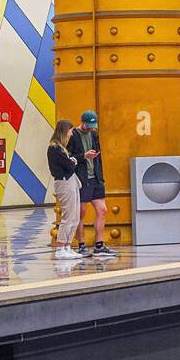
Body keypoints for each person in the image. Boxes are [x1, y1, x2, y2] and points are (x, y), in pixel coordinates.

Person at [68, 110, 118, 258]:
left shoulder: (94, 134)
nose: (90, 128)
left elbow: (98, 156)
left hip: (95, 177)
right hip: (81, 178)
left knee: (102, 210)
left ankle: (99, 244)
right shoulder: (73, 136)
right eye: (88, 125)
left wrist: (100, 177)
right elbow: (68, 157)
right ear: (82, 122)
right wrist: (84, 156)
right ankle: (81, 244)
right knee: (81, 212)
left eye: (92, 125)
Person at [48, 119, 82, 260]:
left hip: (71, 181)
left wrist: (72, 161)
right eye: (70, 131)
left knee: (75, 216)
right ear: (64, 131)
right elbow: (69, 166)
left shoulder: (62, 148)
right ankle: (60, 248)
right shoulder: (54, 148)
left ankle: (68, 246)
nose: (71, 134)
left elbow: (70, 163)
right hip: (64, 182)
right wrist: (73, 161)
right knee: (68, 216)